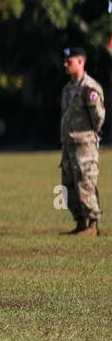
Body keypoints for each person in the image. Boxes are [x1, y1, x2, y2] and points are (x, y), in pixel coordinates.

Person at [59, 46, 103, 236]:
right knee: (67, 185)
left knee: (85, 182)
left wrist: (91, 135)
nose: (65, 64)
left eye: (69, 61)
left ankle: (93, 225)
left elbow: (98, 117)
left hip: (84, 145)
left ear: (81, 62)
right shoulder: (68, 89)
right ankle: (80, 223)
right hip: (68, 145)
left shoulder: (90, 88)